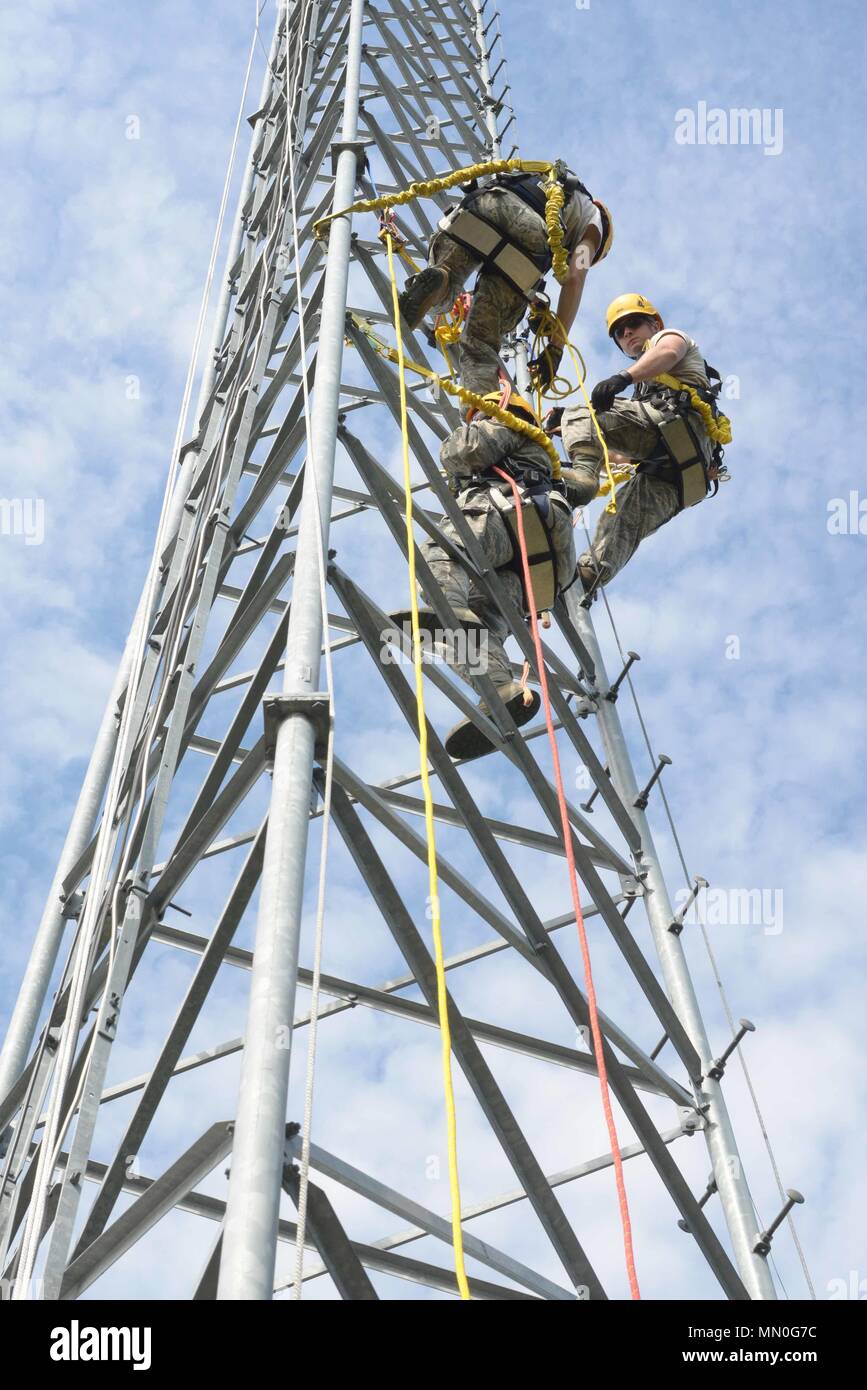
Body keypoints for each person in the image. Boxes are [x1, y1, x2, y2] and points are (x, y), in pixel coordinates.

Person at [390, 391, 589, 760]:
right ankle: (500, 688)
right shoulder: (546, 459)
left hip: (510, 514)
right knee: (482, 623)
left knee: (441, 550)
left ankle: (449, 609)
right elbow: (587, 486)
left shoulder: (508, 428)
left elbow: (461, 453)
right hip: (544, 563)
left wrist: (469, 431)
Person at [558, 293, 730, 597]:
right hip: (676, 473)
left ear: (655, 323)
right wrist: (570, 432)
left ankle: (583, 479)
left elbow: (667, 352)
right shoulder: (644, 388)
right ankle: (584, 580)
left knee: (585, 412)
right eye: (619, 333)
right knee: (621, 522)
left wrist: (622, 378)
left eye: (633, 323)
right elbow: (624, 458)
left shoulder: (669, 338)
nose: (626, 333)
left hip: (673, 429)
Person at [397, 165, 613, 397]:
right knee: (480, 340)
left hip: (490, 206)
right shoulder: (595, 222)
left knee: (449, 271)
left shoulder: (540, 173)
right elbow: (574, 279)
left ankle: (440, 280)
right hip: (530, 244)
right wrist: (556, 348)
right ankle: (483, 413)